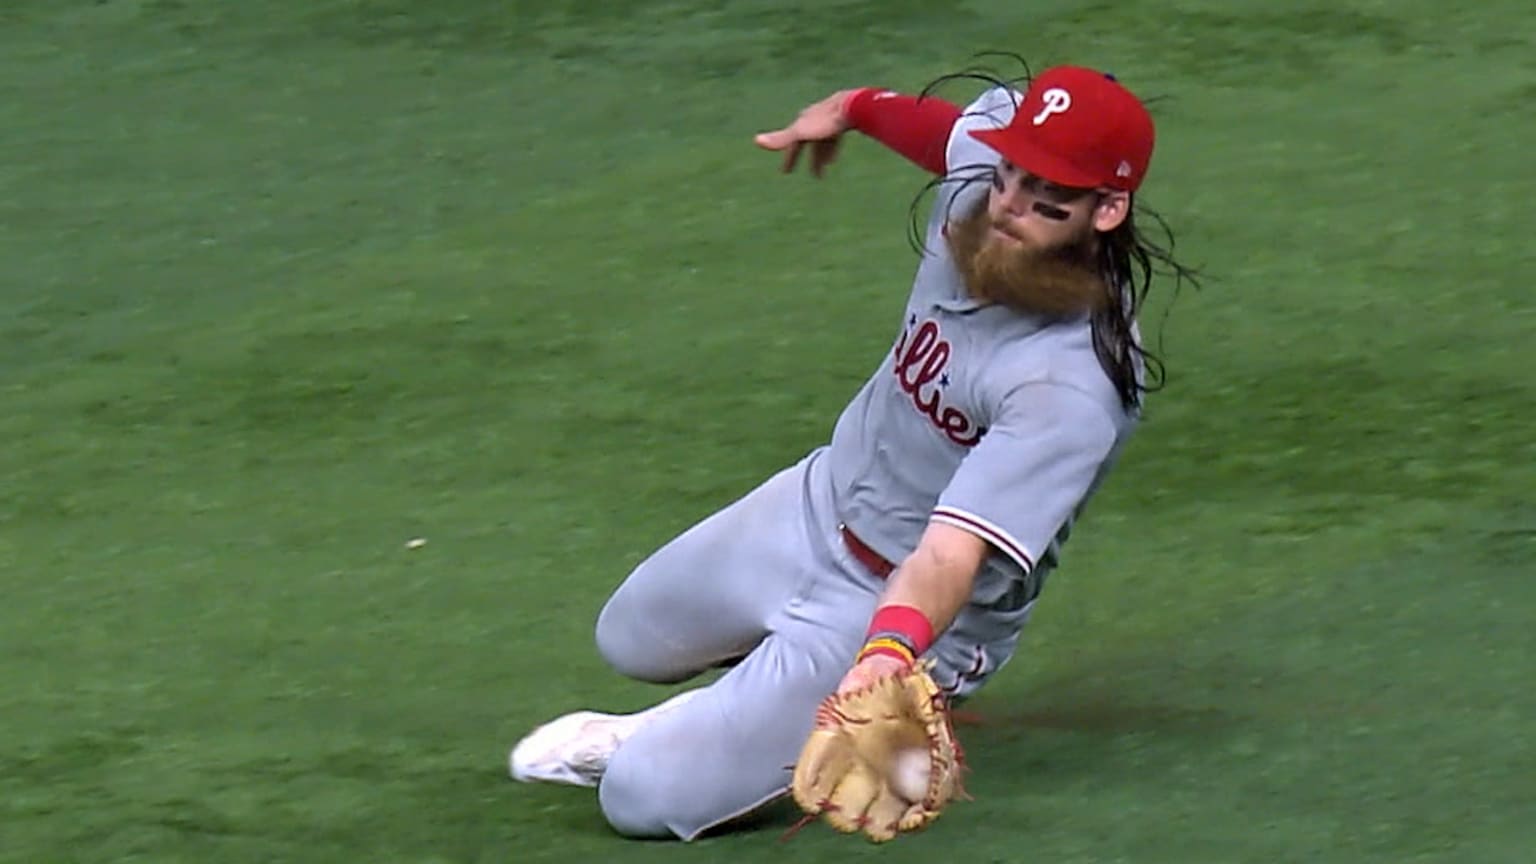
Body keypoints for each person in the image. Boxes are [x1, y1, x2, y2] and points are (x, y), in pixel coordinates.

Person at [510, 62, 1193, 841]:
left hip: (901, 602)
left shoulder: (1073, 383)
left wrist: (886, 653)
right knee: (628, 634)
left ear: (1107, 209)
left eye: (1049, 196)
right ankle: (749, 709)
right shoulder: (992, 183)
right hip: (816, 504)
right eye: (1010, 173)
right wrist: (851, 108)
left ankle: (710, 728)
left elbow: (950, 553)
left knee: (639, 800)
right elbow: (951, 136)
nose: (1009, 204)